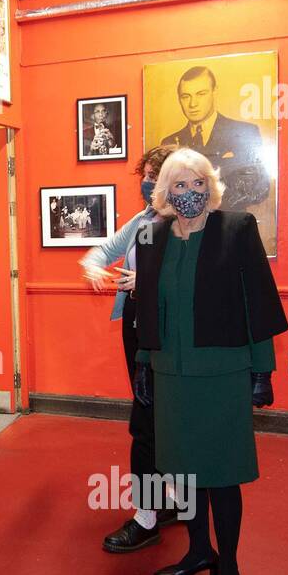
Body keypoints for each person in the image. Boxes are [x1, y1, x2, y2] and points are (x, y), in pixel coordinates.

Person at [131, 148, 288, 575]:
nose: (190, 193)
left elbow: (256, 300)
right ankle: (199, 550)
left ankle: (232, 567)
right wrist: (143, 363)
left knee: (221, 474)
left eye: (198, 183)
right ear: (164, 193)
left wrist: (263, 371)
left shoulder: (236, 230)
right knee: (183, 472)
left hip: (221, 376)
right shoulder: (150, 234)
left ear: (211, 186)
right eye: (179, 185)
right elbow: (147, 307)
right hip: (171, 374)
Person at [80, 144, 177, 552]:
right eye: (147, 172)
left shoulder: (188, 222)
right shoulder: (142, 219)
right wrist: (93, 265)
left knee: (157, 421)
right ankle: (160, 503)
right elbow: (105, 249)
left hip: (170, 331)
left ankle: (149, 515)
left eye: (157, 173)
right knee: (150, 415)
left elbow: (192, 283)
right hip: (137, 327)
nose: (149, 180)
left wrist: (147, 283)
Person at [161, 66, 269, 213]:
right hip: (186, 231)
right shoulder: (170, 143)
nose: (193, 104)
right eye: (186, 96)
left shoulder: (243, 133)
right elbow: (163, 195)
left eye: (201, 94)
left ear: (214, 92)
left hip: (230, 228)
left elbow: (260, 188)